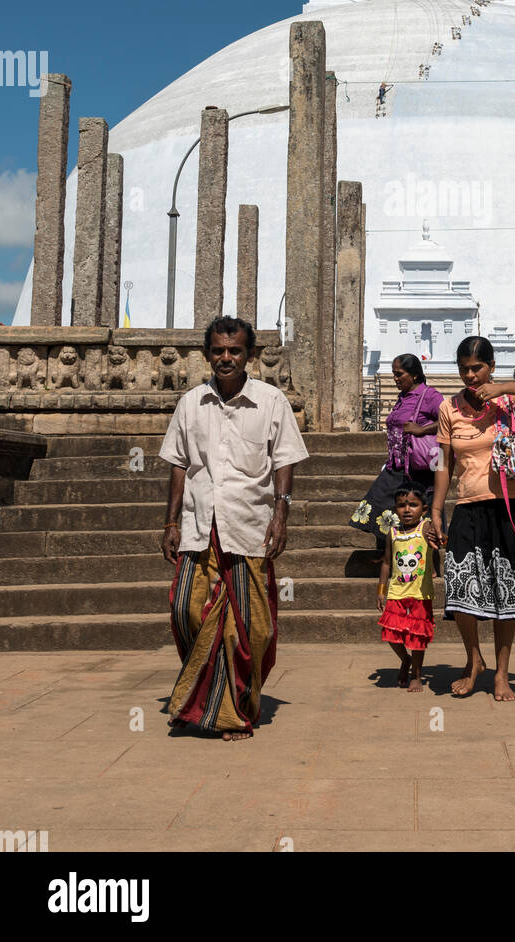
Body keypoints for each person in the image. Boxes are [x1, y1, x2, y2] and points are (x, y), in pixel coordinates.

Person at [159, 315, 308, 740]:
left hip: (249, 526)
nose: (226, 358)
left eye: (235, 350)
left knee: (250, 628)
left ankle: (232, 711)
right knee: (185, 608)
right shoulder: (191, 402)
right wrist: (170, 521)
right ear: (209, 354)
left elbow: (284, 460)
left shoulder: (271, 400)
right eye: (219, 350)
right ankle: (200, 697)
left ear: (249, 355)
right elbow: (178, 464)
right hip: (198, 524)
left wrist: (282, 513)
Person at [427, 336, 515, 702]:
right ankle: (474, 661)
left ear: (491, 367)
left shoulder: (509, 400)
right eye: (464, 369)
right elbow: (443, 463)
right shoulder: (448, 408)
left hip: (509, 506)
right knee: (459, 588)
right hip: (468, 506)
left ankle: (501, 673)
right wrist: (436, 511)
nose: (470, 376)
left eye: (477, 368)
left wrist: (502, 387)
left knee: (508, 592)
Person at [349, 354, 443, 559]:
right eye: (393, 374)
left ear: (415, 374)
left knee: (418, 512)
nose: (395, 379)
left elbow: (447, 419)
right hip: (395, 463)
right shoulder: (403, 397)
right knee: (380, 503)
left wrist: (422, 429)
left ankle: (424, 559)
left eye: (399, 374)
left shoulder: (430, 396)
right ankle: (388, 551)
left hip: (418, 465)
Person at [376, 483, 435, 691]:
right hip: (396, 591)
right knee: (391, 633)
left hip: (420, 593)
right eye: (402, 505)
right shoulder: (392, 533)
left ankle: (417, 675)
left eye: (413, 505)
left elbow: (439, 541)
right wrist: (381, 590)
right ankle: (405, 660)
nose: (407, 509)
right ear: (395, 509)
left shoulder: (425, 527)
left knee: (418, 636)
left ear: (423, 509)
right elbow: (386, 563)